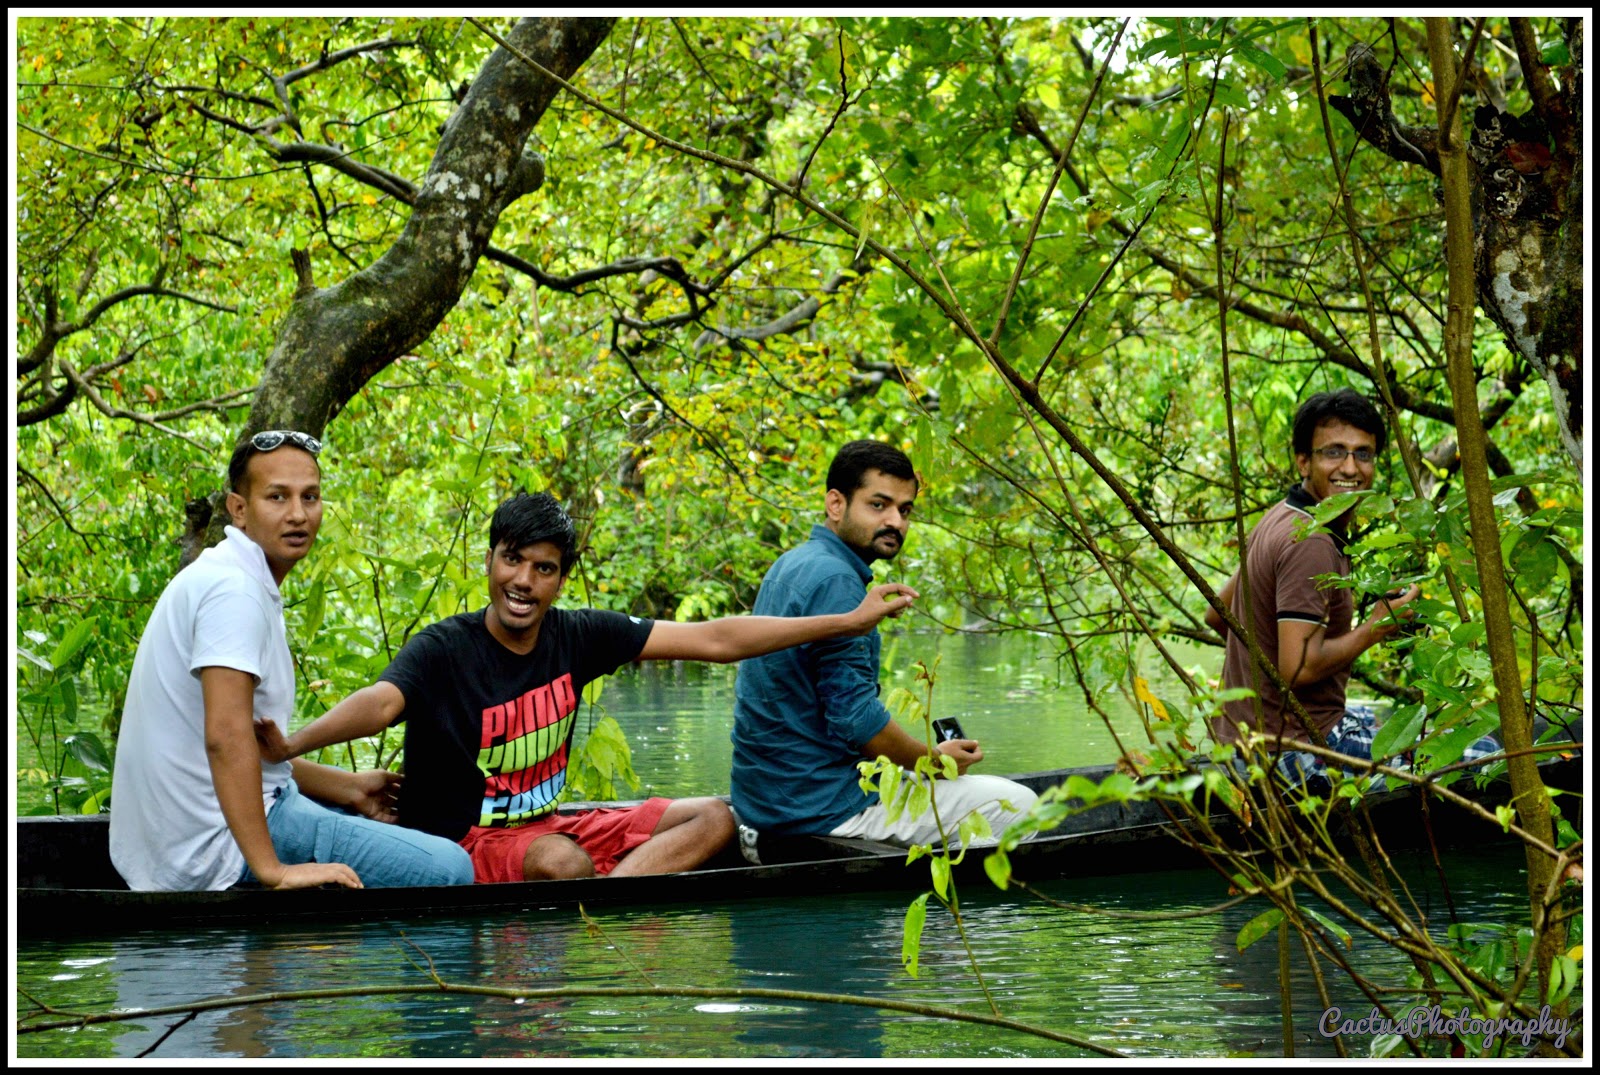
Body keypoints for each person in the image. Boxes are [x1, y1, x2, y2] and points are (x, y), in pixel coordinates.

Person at [256, 490, 919, 884]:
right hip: (467, 841)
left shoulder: (580, 636)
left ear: (560, 578)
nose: (523, 581)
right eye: (511, 560)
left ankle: (605, 907)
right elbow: (379, 704)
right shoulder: (445, 647)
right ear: (488, 560)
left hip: (551, 824)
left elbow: (718, 640)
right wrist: (292, 743)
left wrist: (848, 618)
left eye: (543, 568)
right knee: (561, 862)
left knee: (719, 817)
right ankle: (599, 906)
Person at [108, 430, 475, 891]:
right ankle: (335, 959)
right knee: (450, 869)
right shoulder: (234, 593)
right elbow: (226, 739)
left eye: (311, 497)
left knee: (408, 824)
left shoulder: (235, 576)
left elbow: (247, 748)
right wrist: (273, 871)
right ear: (238, 509)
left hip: (183, 837)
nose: (298, 515)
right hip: (211, 848)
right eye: (277, 497)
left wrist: (346, 786)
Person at [730, 440, 1037, 852]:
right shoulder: (837, 581)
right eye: (879, 505)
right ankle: (943, 917)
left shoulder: (794, 563)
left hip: (772, 797)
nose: (895, 521)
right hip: (819, 806)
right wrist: (932, 761)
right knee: (1021, 806)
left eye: (905, 510)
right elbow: (856, 720)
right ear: (836, 505)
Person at [1203, 388, 1498, 783]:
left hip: (1236, 742)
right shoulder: (1311, 543)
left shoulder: (1280, 516)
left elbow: (1216, 614)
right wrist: (1376, 627)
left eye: (1363, 454)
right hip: (1288, 754)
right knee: (1488, 754)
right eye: (1334, 452)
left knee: (1408, 718)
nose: (1351, 468)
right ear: (1303, 462)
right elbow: (1298, 669)